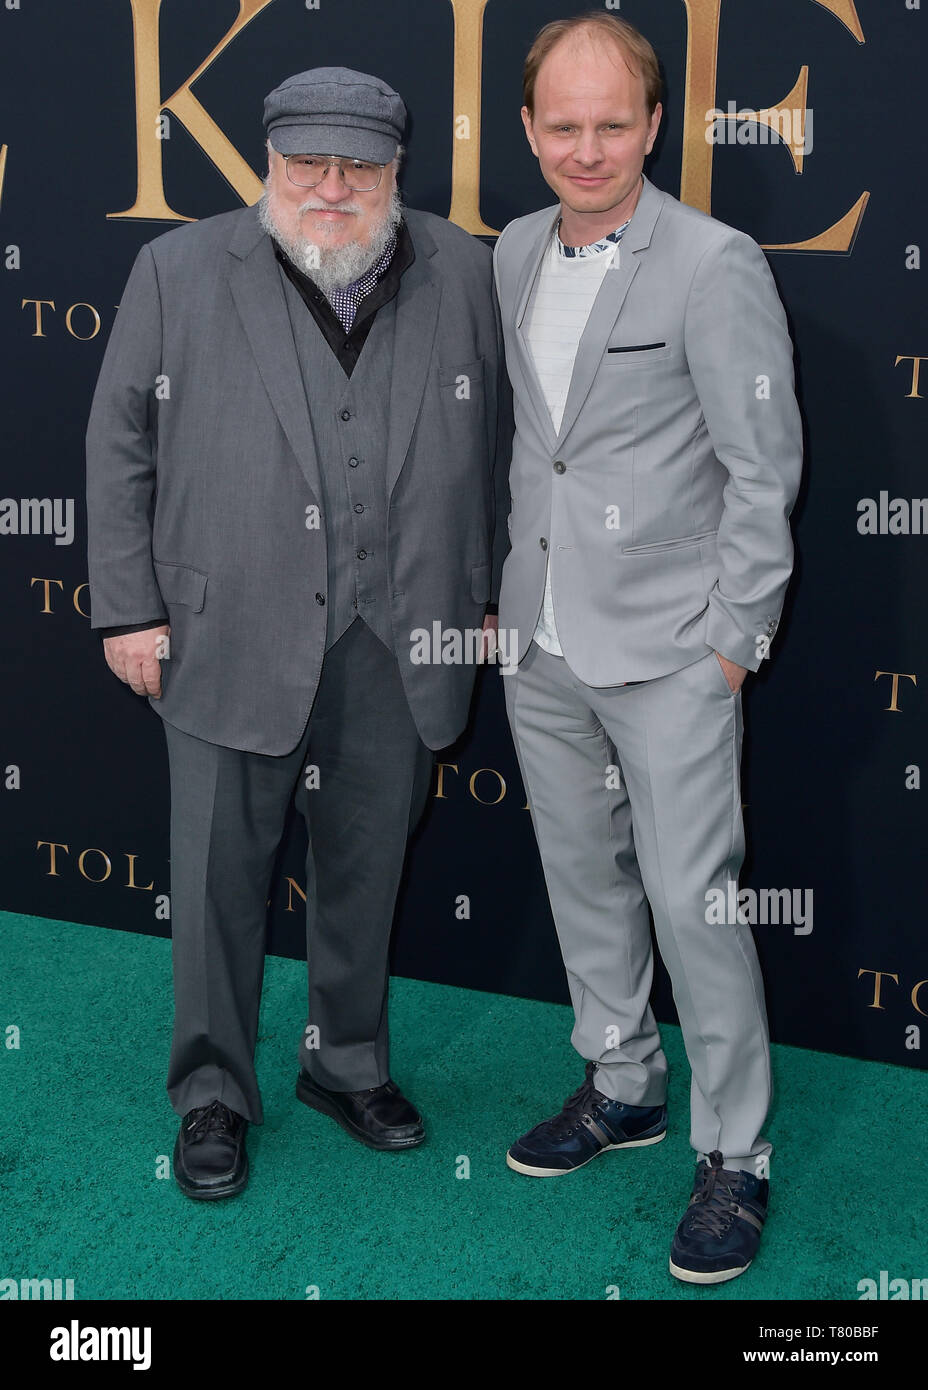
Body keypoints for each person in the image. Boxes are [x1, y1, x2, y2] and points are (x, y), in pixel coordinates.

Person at [86, 66, 509, 1200]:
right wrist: (126, 603)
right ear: (266, 164)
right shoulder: (176, 269)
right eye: (306, 163)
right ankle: (213, 1090)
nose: (332, 186)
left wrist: (489, 591)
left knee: (367, 869)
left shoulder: (466, 268)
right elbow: (119, 439)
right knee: (219, 873)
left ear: (396, 171)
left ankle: (346, 1061)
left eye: (358, 166)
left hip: (404, 632)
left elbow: (511, 447)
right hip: (226, 630)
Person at [493, 13, 802, 1283]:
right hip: (542, 635)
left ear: (654, 125)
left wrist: (731, 642)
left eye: (611, 123)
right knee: (585, 879)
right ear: (525, 129)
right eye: (561, 125)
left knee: (696, 904)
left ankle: (737, 1155)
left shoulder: (713, 261)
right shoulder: (509, 250)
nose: (585, 147)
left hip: (674, 651)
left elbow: (760, 464)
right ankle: (622, 1082)